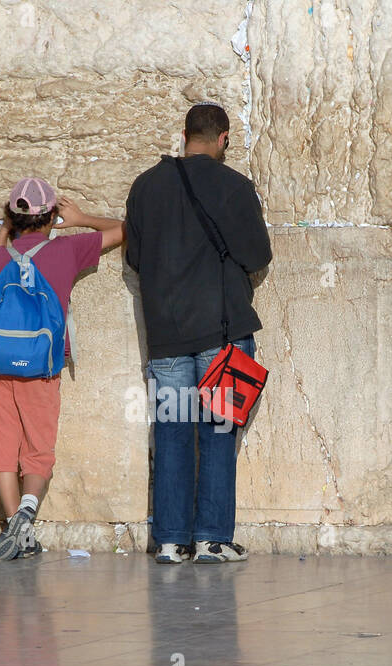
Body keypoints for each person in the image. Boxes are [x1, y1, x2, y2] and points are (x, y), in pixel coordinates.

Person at [125, 103, 273, 565]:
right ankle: (211, 538)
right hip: (221, 333)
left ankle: (170, 541)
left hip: (166, 335)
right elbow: (256, 255)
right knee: (217, 430)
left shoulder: (146, 186)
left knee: (170, 433)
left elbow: (134, 258)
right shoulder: (234, 186)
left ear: (184, 134)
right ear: (224, 138)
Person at [0, 177, 123, 560]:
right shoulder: (67, 251)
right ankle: (27, 512)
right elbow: (125, 230)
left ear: (12, 216)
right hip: (42, 364)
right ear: (51, 215)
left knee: (2, 448)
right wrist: (81, 219)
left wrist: (3, 236)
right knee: (38, 449)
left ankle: (14, 529)